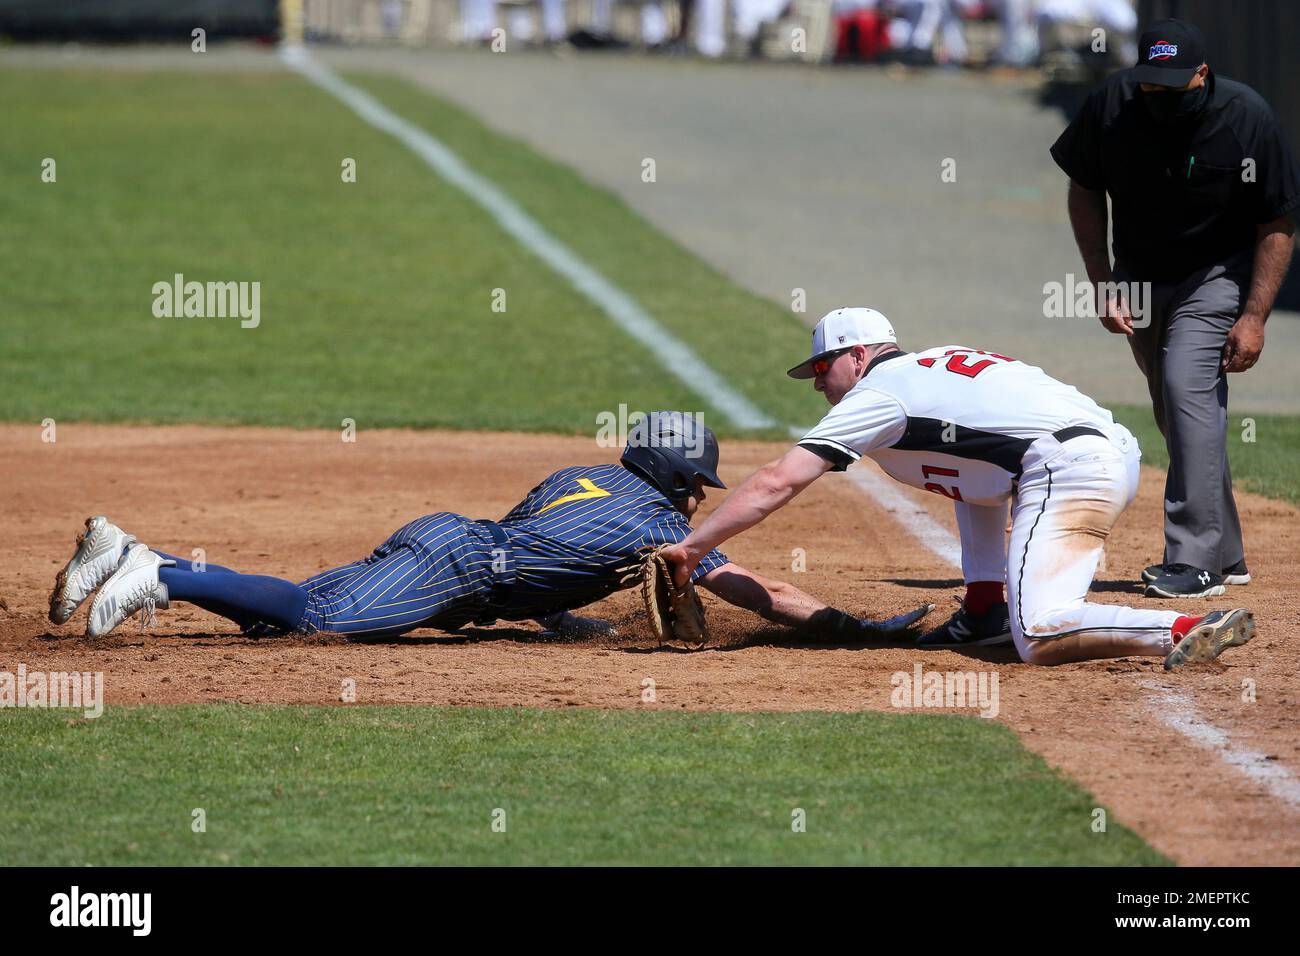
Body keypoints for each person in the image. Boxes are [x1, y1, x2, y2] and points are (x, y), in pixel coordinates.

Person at [661, 308, 1257, 670]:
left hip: (1067, 465)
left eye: (822, 369)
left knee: (1041, 635)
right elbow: (979, 480)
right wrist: (979, 601)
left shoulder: (879, 390)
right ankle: (982, 611)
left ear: (859, 355)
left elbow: (777, 481)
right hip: (1104, 454)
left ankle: (1179, 629)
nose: (818, 386)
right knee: (978, 484)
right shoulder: (936, 365)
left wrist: (692, 547)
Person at [48, 412, 928, 644]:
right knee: (318, 621)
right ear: (673, 479)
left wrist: (561, 615)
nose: (701, 501)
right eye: (698, 485)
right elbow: (763, 591)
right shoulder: (664, 530)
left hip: (453, 542)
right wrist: (852, 631)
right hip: (459, 570)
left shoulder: (582, 477)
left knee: (303, 603)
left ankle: (138, 552)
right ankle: (158, 579)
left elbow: (540, 548)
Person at [1050, 17, 1299, 598]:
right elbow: (1083, 186)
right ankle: (1228, 553)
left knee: (1188, 390)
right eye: (1150, 82)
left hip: (1217, 274)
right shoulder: (1113, 104)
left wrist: (1255, 315)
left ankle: (1193, 561)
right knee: (1178, 409)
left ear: (1202, 76)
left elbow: (1277, 220)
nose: (1158, 95)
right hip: (1139, 273)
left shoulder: (1246, 118)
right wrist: (1102, 281)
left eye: (1172, 84)